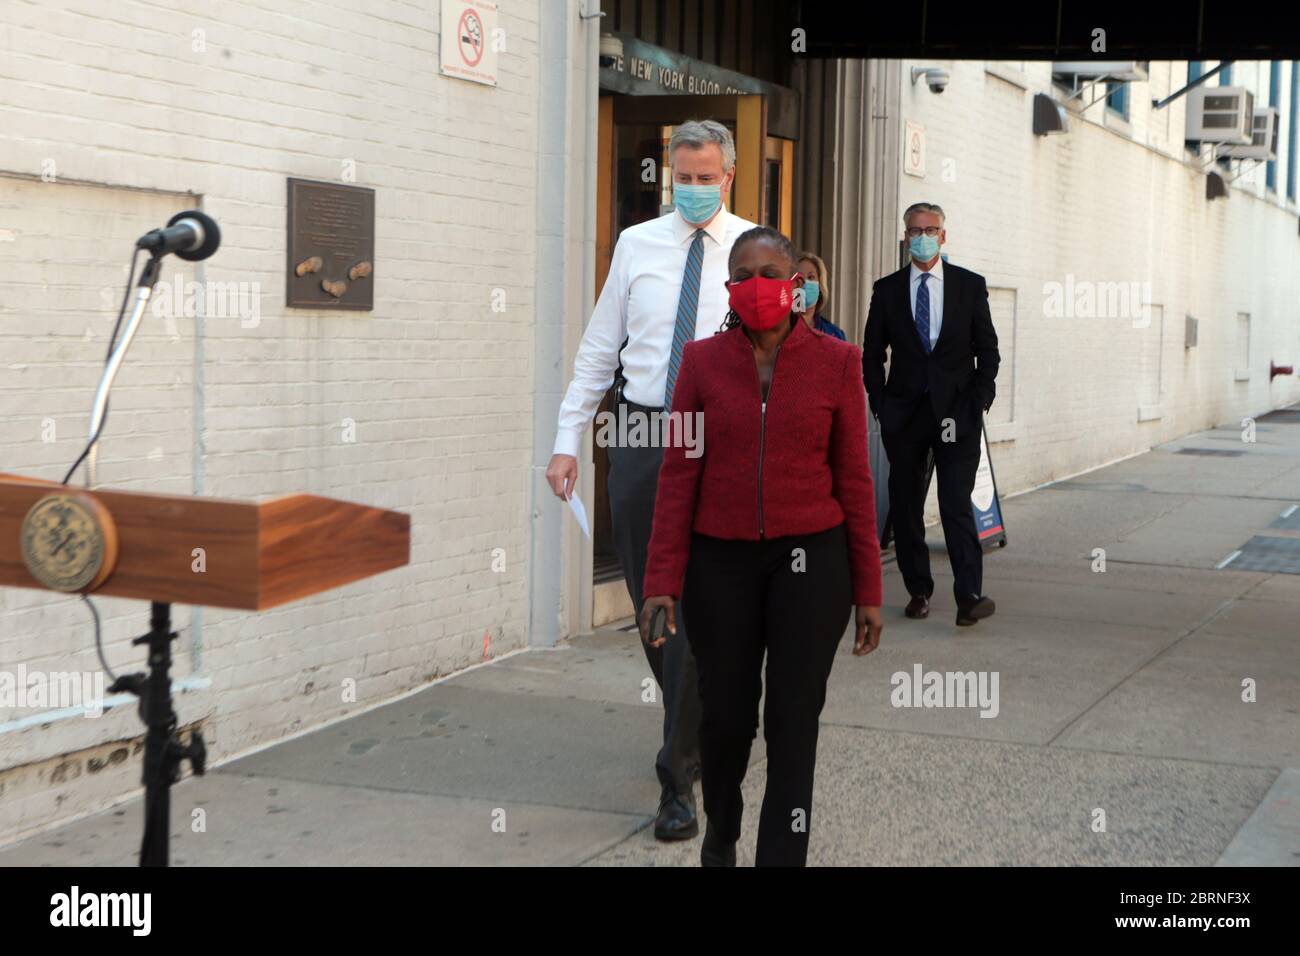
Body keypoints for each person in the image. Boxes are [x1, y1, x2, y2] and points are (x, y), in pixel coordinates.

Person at [639, 226, 884, 867]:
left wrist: (869, 590)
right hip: (721, 562)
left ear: (796, 283)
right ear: (728, 287)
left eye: (770, 272)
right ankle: (722, 832)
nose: (757, 286)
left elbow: (855, 481)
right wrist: (662, 579)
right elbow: (678, 473)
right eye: (743, 274)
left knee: (793, 722)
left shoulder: (839, 362)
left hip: (812, 562)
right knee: (724, 721)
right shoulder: (700, 362)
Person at [546, 119, 758, 841]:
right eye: (684, 178)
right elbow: (600, 349)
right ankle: (689, 731)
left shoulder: (755, 249)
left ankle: (679, 775)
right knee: (652, 600)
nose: (695, 190)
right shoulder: (637, 246)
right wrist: (566, 440)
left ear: (729, 177)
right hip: (640, 431)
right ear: (670, 175)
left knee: (697, 609)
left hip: (720, 438)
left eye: (708, 178)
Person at [862, 202, 1000, 626]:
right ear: (905, 237)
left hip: (957, 414)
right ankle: (918, 589)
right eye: (915, 230)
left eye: (931, 229)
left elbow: (988, 353)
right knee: (906, 507)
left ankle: (968, 595)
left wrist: (977, 401)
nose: (922, 236)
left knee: (955, 502)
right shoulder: (886, 290)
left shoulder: (969, 286)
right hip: (906, 415)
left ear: (943, 235)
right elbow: (871, 354)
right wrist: (881, 404)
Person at [795, 251, 846, 340]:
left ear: (820, 286)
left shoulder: (834, 334)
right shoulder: (777, 331)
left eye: (811, 277)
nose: (804, 282)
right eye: (799, 277)